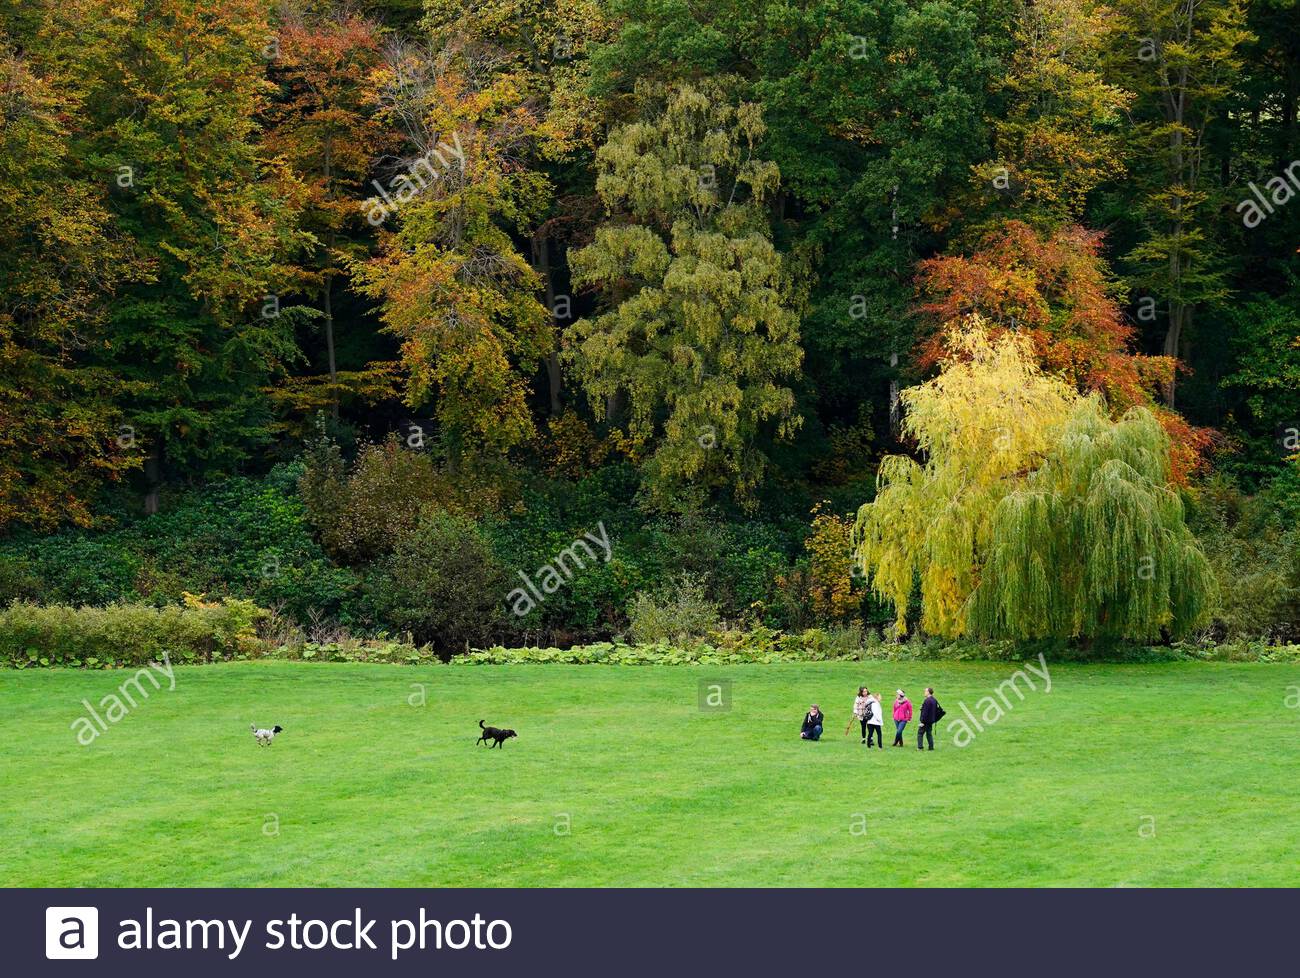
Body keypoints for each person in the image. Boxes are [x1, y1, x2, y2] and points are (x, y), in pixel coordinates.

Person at [918, 686, 944, 751]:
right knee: (929, 734)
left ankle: (920, 748)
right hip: (931, 720)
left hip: (926, 721)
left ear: (928, 692)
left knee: (920, 733)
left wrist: (922, 722)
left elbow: (925, 712)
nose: (924, 692)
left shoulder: (927, 700)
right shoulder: (934, 700)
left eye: (925, 691)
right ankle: (931, 747)